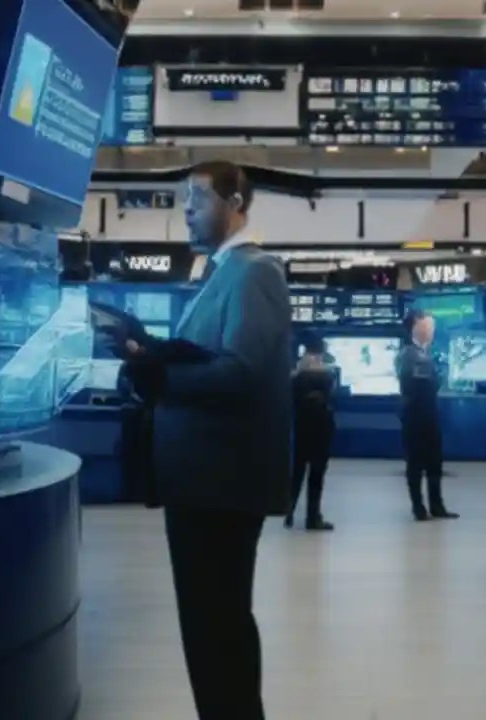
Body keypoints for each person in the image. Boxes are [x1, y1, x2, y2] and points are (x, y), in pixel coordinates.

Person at [121, 160, 291, 720]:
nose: (186, 211)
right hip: (203, 483)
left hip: (220, 485)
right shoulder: (219, 273)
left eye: (195, 198)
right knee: (209, 625)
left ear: (235, 201)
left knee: (217, 627)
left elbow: (241, 369)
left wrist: (162, 376)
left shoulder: (254, 271)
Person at [396, 310, 458, 521]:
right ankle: (419, 507)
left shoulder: (426, 354)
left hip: (429, 415)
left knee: (434, 462)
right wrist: (438, 375)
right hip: (414, 416)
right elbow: (424, 383)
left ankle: (436, 504)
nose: (431, 331)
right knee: (415, 464)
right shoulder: (409, 355)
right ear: (414, 327)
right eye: (426, 326)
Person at [287, 333, 336, 531]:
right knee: (316, 474)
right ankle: (312, 516)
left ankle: (288, 512)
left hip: (300, 427)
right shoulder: (328, 374)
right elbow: (334, 398)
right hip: (321, 428)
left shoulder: (296, 374)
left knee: (297, 471)